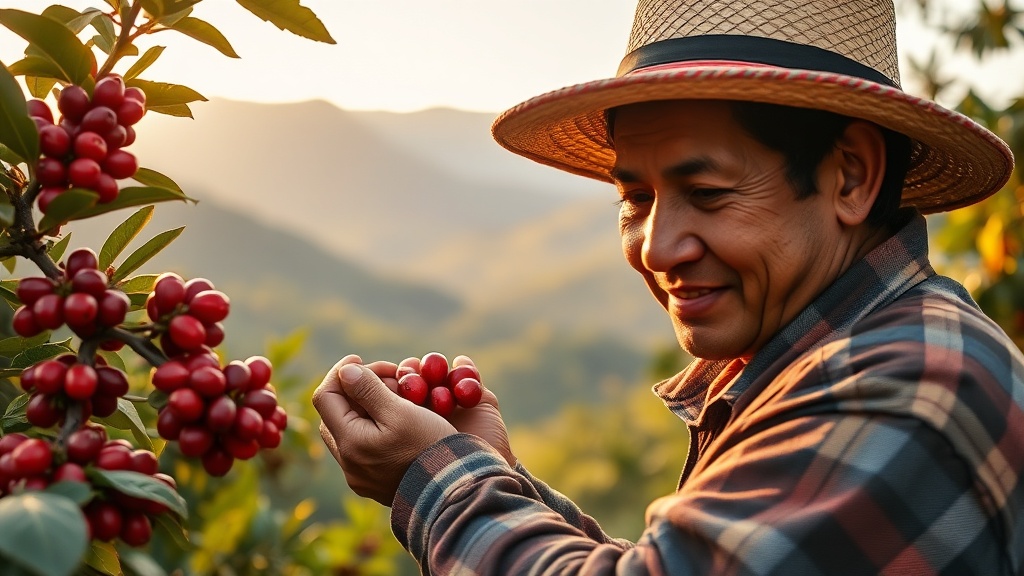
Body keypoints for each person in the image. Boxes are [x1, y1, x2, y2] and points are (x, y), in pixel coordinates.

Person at [313, 0, 1024, 573]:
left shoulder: (909, 388)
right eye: (635, 198)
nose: (656, 248)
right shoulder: (834, 360)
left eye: (708, 193)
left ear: (851, 176)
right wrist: (495, 477)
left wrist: (435, 479)